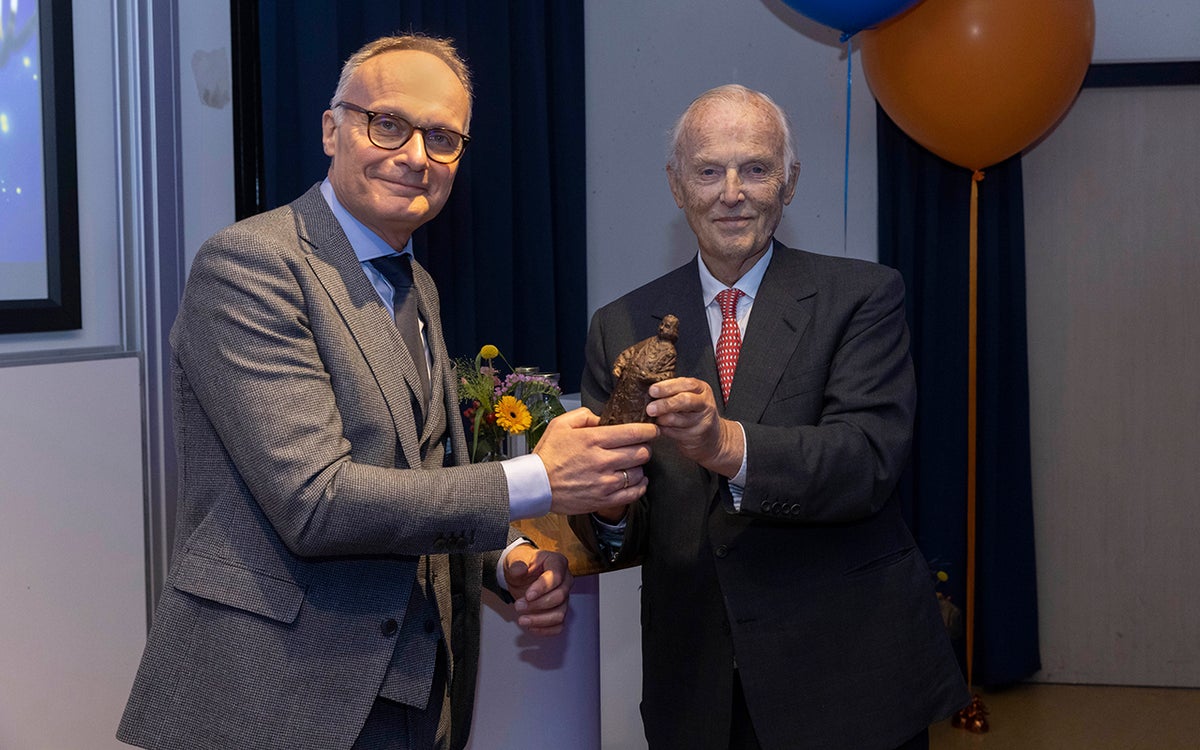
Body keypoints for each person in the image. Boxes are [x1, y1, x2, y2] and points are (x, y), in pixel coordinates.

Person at [117, 34, 656, 750]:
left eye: (443, 137)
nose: (415, 156)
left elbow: (418, 484)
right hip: (275, 699)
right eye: (388, 124)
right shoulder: (250, 265)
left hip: (415, 693)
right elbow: (315, 503)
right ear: (330, 128)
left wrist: (504, 563)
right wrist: (539, 479)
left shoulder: (416, 283)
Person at [572, 85, 968, 750]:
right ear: (677, 186)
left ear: (788, 182)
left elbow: (865, 461)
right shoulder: (620, 326)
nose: (732, 192)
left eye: (755, 168)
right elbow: (619, 522)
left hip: (844, 672)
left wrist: (723, 442)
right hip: (695, 684)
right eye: (708, 171)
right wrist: (605, 502)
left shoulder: (862, 297)